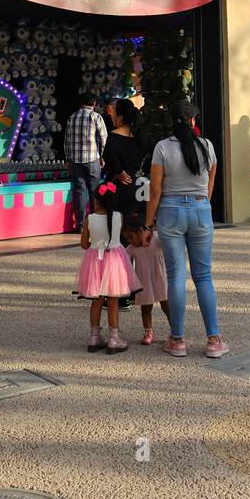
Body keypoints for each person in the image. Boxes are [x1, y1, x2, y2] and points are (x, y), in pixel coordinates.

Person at [146, 100, 228, 359]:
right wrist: (201, 205)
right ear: (193, 120)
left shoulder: (162, 148)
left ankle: (177, 340)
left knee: (176, 276)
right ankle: (213, 340)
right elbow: (210, 183)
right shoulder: (207, 146)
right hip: (200, 209)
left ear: (172, 121)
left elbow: (155, 190)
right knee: (203, 276)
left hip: (170, 212)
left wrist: (149, 224)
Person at [76, 179, 141, 354]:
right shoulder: (118, 217)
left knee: (96, 299)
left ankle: (94, 336)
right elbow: (118, 238)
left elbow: (83, 244)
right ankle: (114, 338)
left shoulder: (90, 219)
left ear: (96, 201)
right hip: (114, 260)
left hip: (95, 261)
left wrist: (95, 244)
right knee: (113, 300)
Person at [121, 211, 169, 346]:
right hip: (144, 282)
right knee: (145, 309)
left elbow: (170, 241)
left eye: (131, 237)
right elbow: (123, 261)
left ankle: (175, 330)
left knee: (167, 306)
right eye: (128, 239)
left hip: (160, 278)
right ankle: (148, 332)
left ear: (141, 230)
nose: (130, 241)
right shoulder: (131, 249)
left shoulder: (157, 240)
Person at [64, 92, 109, 232]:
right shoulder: (96, 117)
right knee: (94, 192)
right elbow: (104, 138)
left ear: (80, 104)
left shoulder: (72, 117)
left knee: (80, 191)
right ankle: (95, 224)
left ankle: (80, 224)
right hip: (92, 159)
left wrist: (68, 158)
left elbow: (67, 140)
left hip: (76, 160)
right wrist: (102, 156)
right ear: (94, 104)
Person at [102, 98, 146, 217]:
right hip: (139, 189)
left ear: (120, 117)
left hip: (118, 189)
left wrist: (119, 172)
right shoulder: (140, 136)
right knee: (135, 229)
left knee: (117, 228)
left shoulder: (113, 136)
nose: (112, 115)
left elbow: (108, 156)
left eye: (114, 112)